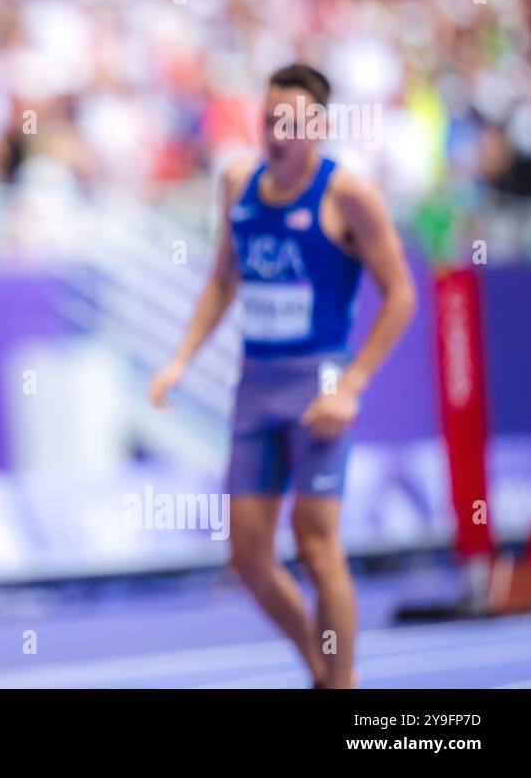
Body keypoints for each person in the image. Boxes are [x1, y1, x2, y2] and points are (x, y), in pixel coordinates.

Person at [149, 64, 417, 688]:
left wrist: (351, 385)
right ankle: (320, 669)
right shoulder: (237, 182)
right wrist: (181, 360)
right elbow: (223, 278)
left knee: (317, 542)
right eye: (268, 119)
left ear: (318, 128)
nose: (275, 132)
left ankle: (342, 685)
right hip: (255, 386)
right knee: (246, 555)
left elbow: (401, 294)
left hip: (318, 382)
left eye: (290, 122)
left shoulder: (348, 195)